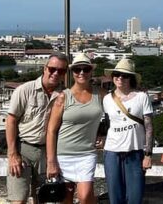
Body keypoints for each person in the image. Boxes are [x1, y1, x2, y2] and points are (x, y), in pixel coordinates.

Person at [6, 52, 68, 204]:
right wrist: (13, 154)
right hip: (24, 149)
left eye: (61, 71)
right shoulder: (25, 90)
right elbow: (11, 121)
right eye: (52, 69)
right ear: (44, 68)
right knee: (18, 198)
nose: (55, 73)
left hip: (47, 152)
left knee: (44, 197)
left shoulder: (64, 95)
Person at [46, 53, 105, 204]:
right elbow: (52, 130)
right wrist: (51, 161)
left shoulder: (100, 94)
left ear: (91, 71)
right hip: (63, 155)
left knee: (85, 197)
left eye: (85, 69)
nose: (81, 73)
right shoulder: (63, 97)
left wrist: (103, 134)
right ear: (72, 73)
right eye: (77, 69)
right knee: (66, 199)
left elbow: (114, 116)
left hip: (86, 154)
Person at [102, 58, 153, 204]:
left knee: (135, 197)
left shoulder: (142, 97)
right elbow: (108, 124)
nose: (120, 78)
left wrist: (148, 154)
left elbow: (149, 126)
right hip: (112, 152)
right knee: (115, 197)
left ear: (131, 78)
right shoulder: (107, 99)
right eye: (117, 74)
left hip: (135, 151)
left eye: (124, 75)